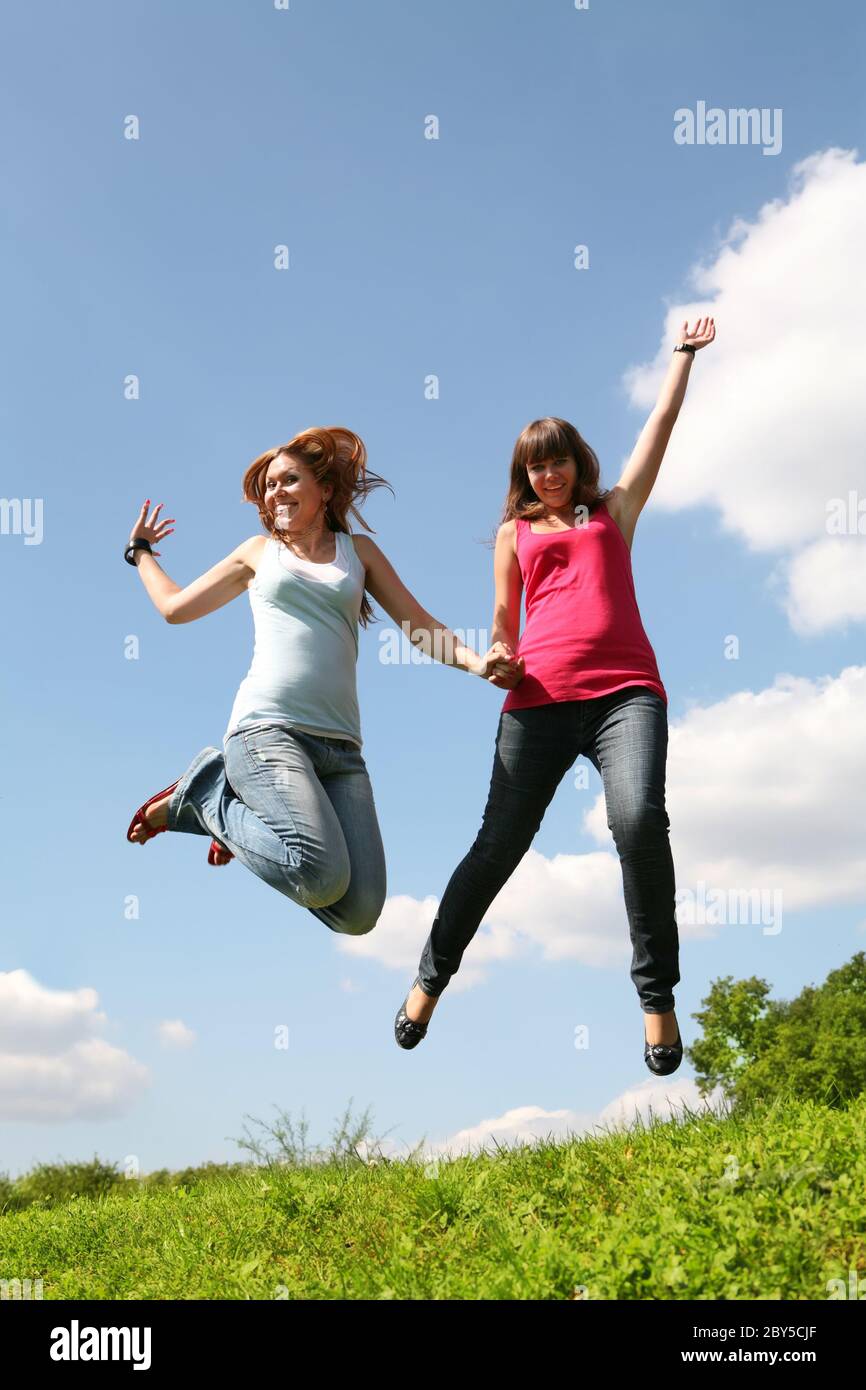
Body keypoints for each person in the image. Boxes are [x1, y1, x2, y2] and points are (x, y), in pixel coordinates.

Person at [394, 318, 716, 1074]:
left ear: (578, 463)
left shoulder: (613, 512)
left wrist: (682, 358)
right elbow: (504, 624)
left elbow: (659, 427)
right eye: (535, 467)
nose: (549, 475)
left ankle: (656, 1002)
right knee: (498, 848)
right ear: (524, 475)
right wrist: (498, 656)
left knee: (638, 821)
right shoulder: (514, 533)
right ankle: (429, 981)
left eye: (559, 461)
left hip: (625, 695)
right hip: (535, 701)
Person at [125, 426, 518, 938]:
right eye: (269, 486)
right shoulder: (258, 554)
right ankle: (207, 792)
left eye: (289, 480)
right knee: (320, 875)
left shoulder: (359, 554)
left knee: (359, 913)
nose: (276, 492)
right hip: (267, 732)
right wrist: (140, 551)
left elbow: (419, 628)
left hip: (341, 751)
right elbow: (174, 609)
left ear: (324, 490)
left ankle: (241, 819)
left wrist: (478, 663)